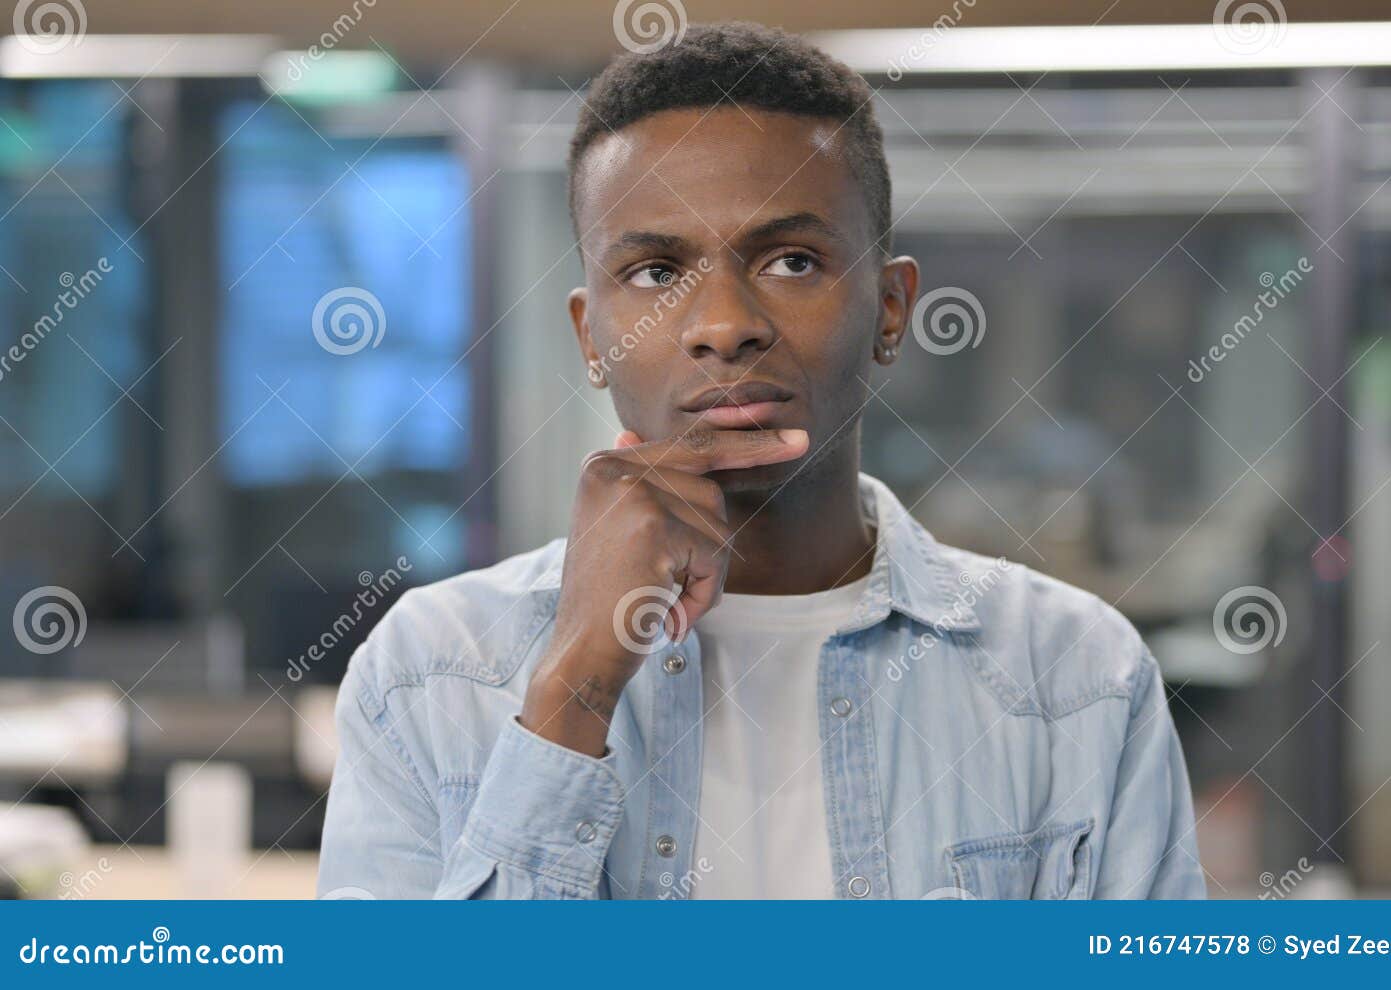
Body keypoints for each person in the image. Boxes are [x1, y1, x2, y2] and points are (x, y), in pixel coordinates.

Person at [317, 20, 1204, 900]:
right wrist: (576, 682)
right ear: (593, 337)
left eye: (790, 259)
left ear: (891, 310)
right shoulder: (429, 673)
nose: (723, 325)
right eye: (659, 273)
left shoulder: (1078, 678)